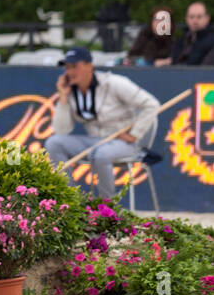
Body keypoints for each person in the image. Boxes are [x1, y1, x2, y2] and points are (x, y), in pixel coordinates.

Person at [45, 47, 161, 194]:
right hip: (95, 141)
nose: (70, 72)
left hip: (124, 143)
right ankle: (67, 200)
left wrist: (135, 134)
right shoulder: (71, 91)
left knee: (100, 154)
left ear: (90, 66)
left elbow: (151, 104)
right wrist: (63, 98)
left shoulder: (114, 83)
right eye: (67, 68)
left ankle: (107, 207)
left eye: (75, 66)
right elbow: (62, 130)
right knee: (54, 143)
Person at [156, 2, 214, 66]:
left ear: (207, 18)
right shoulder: (182, 40)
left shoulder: (212, 41)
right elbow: (173, 61)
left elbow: (205, 69)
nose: (195, 21)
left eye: (199, 17)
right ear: (186, 19)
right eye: (191, 17)